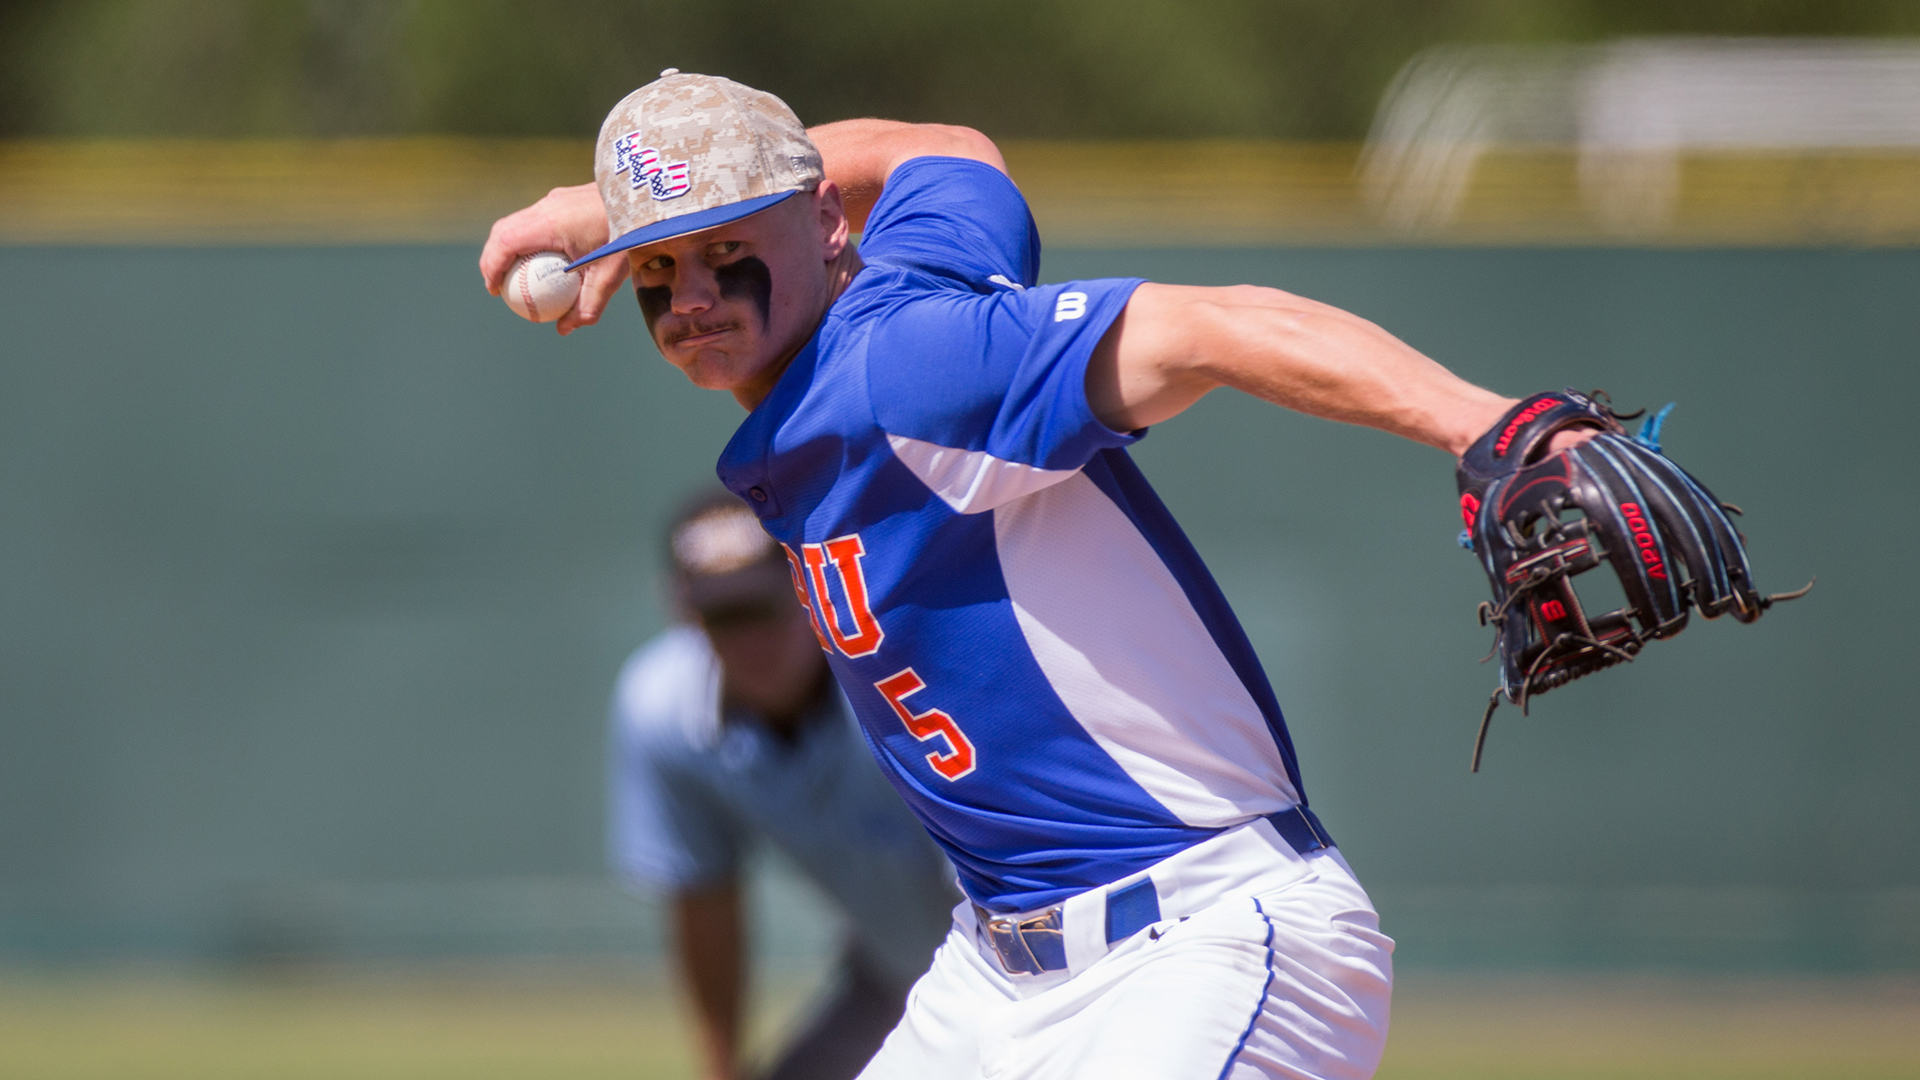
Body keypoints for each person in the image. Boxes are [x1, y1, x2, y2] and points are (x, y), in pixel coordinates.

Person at [483, 70, 1586, 1080]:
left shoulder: (909, 372)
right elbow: (942, 147)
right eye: (658, 262)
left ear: (826, 225)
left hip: (1199, 945)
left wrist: (1494, 428)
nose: (690, 294)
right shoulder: (893, 292)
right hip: (994, 974)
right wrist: (610, 204)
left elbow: (1210, 327)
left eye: (725, 242)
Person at [609, 489, 959, 1080]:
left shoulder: (901, 684)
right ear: (684, 613)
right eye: (724, 616)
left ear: (808, 588)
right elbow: (704, 898)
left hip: (1028, 969)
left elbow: (1012, 895)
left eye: (763, 606)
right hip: (889, 979)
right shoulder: (661, 709)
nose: (750, 640)